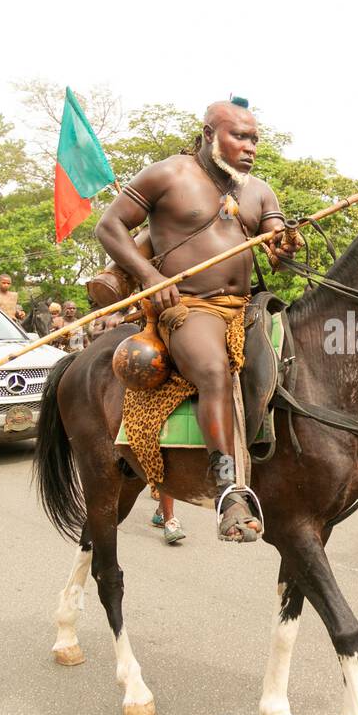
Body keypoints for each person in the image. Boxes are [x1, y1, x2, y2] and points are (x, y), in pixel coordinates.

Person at [94, 98, 302, 542]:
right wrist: (149, 276)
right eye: (239, 137)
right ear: (209, 134)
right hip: (190, 307)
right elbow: (109, 227)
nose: (250, 147)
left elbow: (275, 246)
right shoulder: (168, 173)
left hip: (247, 305)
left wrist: (283, 247)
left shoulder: (260, 189)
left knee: (308, 360)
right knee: (213, 372)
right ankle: (228, 489)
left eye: (254, 139)